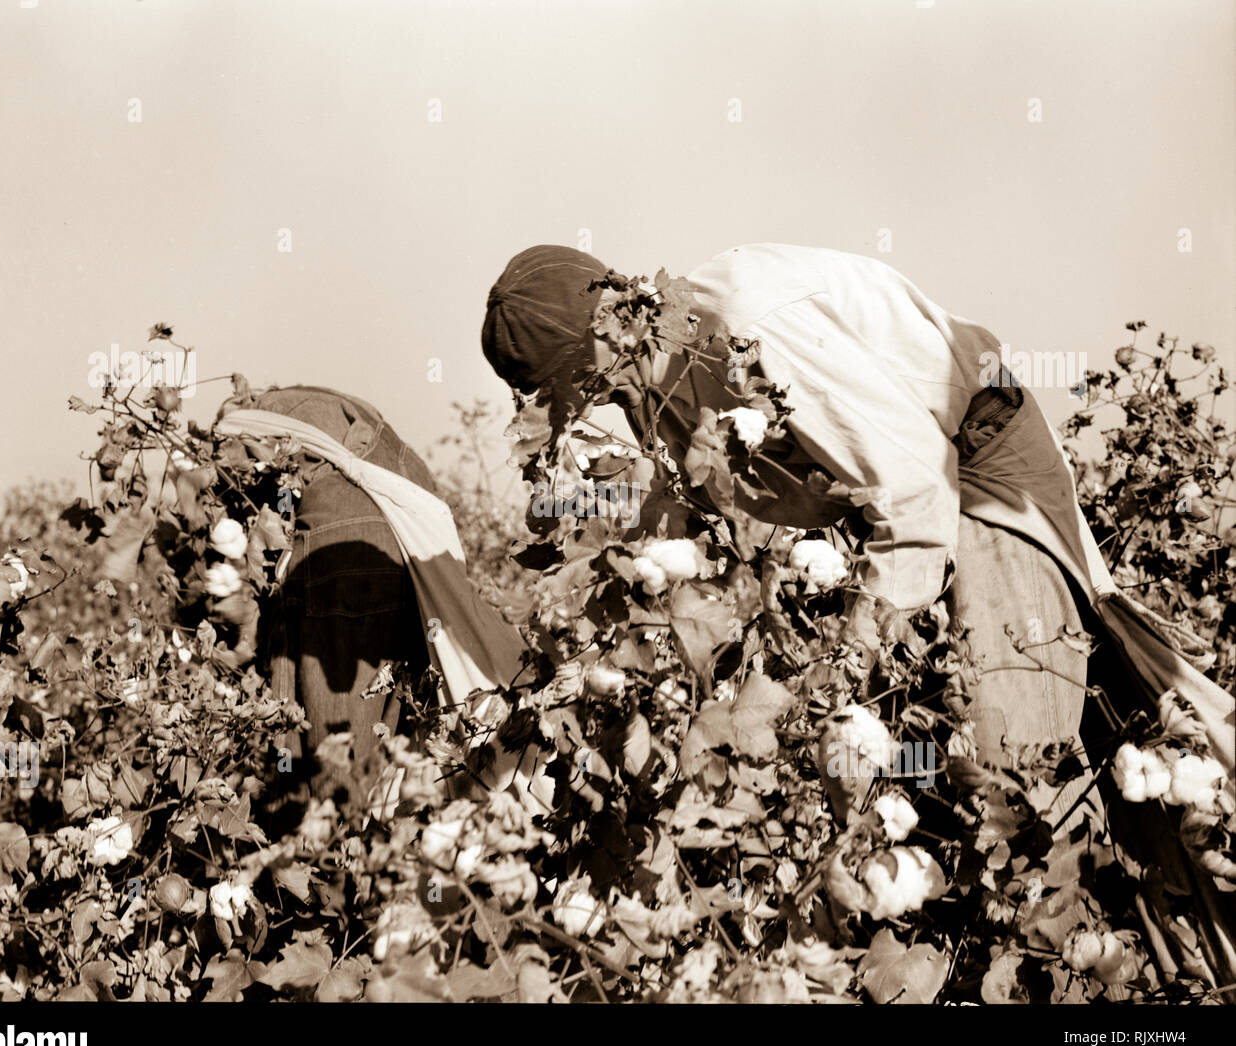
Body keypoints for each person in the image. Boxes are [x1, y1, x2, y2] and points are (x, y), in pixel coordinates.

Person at [480, 244, 1236, 987]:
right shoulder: (662, 389)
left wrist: (852, 656)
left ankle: (1102, 972)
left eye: (581, 388)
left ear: (610, 336)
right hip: (888, 521)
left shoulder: (751, 331)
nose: (588, 408)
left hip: (974, 469)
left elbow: (911, 489)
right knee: (901, 766)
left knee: (1004, 773)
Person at [248, 385, 437, 783]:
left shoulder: (259, 419)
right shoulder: (361, 419)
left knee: (334, 767)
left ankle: (335, 835)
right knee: (393, 742)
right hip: (404, 542)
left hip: (336, 557)